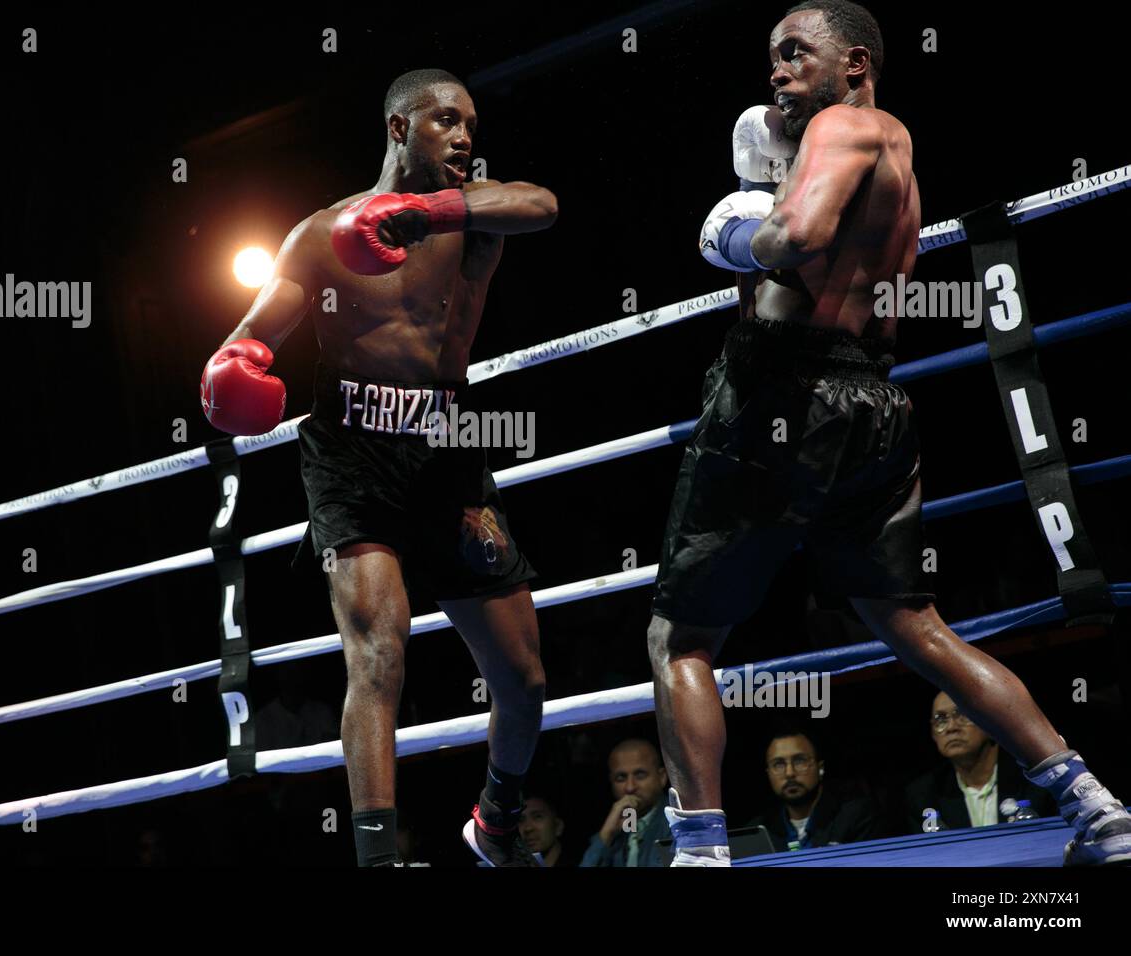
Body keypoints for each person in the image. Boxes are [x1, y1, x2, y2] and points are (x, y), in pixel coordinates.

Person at [647, 1, 1130, 867]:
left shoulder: (845, 123)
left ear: (857, 64)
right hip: (872, 403)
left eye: (796, 53)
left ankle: (700, 856)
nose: (778, 71)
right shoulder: (891, 152)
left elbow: (795, 237)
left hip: (781, 397)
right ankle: (1095, 806)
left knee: (679, 638)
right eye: (772, 58)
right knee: (914, 622)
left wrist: (731, 232)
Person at [200, 68, 558, 866]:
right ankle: (377, 857)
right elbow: (254, 332)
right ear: (400, 129)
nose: (465, 137)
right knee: (379, 652)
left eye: (471, 122)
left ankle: (495, 819)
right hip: (351, 457)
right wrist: (235, 363)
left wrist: (427, 212)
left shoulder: (475, 211)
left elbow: (543, 205)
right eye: (445, 121)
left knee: (524, 678)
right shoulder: (323, 234)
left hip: (447, 451)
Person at [904, 692, 1055, 832]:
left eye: (962, 715)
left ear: (989, 722)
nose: (951, 728)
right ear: (933, 734)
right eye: (941, 719)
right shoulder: (923, 796)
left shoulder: (1035, 781)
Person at [743, 730, 880, 852]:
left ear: (820, 768)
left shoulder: (855, 817)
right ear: (768, 774)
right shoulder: (757, 830)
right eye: (778, 764)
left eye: (799, 761)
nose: (789, 773)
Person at [580, 739, 672, 867]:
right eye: (621, 778)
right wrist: (606, 834)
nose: (630, 787)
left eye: (640, 775)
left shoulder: (677, 823)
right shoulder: (616, 830)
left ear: (662, 777)